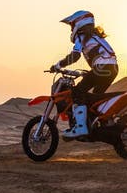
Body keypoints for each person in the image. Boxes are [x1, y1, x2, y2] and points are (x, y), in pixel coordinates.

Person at [49, 10, 118, 138]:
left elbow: (75, 56)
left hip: (102, 68)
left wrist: (59, 65)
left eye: (72, 26)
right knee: (95, 99)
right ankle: (102, 126)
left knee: (76, 92)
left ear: (79, 23)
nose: (71, 30)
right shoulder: (95, 36)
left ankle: (81, 127)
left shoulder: (82, 36)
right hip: (111, 68)